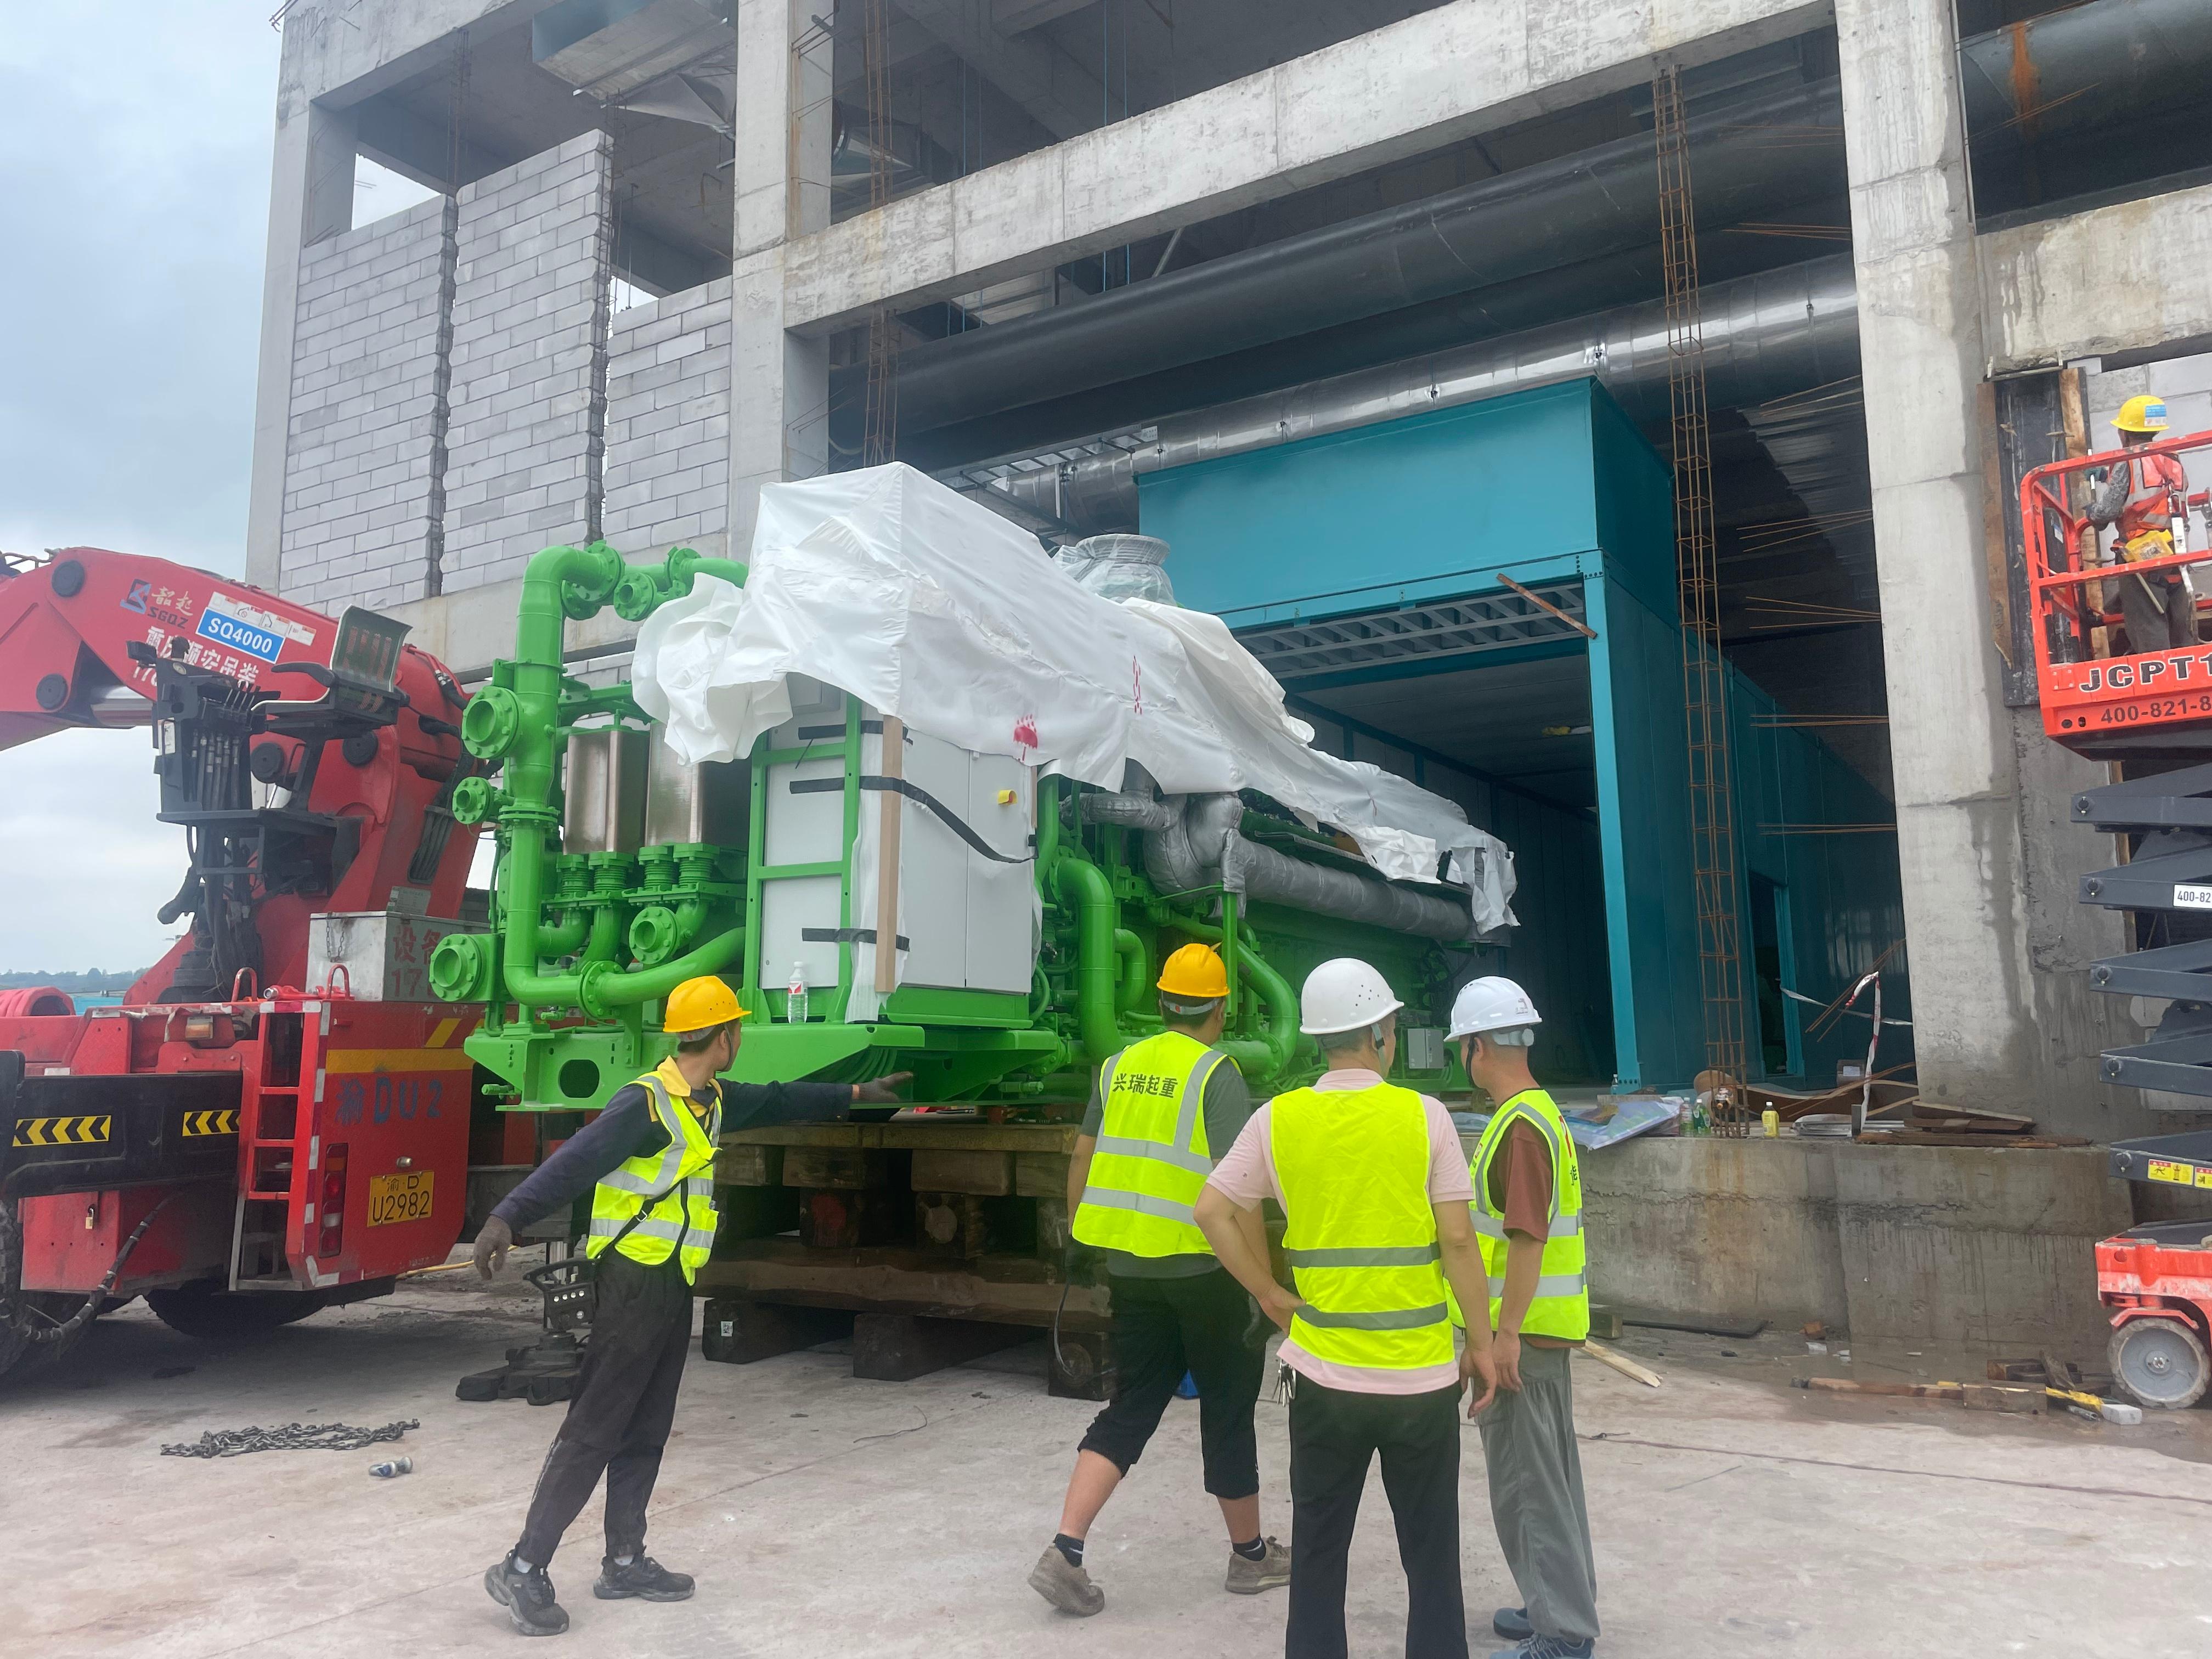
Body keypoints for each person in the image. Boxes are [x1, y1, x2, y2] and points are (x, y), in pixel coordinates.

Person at [473, 974, 912, 1637]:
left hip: (673, 1278)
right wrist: (506, 1217)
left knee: (649, 1422)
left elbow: (780, 1098)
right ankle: (523, 1566)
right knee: (597, 1423)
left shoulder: (713, 1100)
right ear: (725, 1037)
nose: (740, 1040)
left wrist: (855, 1094)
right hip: (631, 1280)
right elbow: (574, 1164)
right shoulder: (645, 1104)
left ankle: (625, 1560)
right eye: (738, 1029)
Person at [1195, 958, 1498, 1659]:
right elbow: (1458, 1241)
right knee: (1431, 1555)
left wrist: (1269, 1292)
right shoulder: (1425, 1117)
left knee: (1319, 1552)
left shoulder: (1278, 1119)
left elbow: (1211, 1210)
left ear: (1318, 1038)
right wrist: (1481, 1344)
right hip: (1420, 1380)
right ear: (1382, 1034)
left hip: (1323, 1381)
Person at [1030, 943, 1291, 1616]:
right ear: (1221, 1009)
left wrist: (1079, 1238)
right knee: (1227, 1408)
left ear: (1162, 1002)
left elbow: (1083, 1157)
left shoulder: (1117, 1066)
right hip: (1207, 1273)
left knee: (1132, 1405)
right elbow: (1240, 1193)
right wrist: (1264, 1287)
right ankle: (1250, 1557)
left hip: (1130, 1270)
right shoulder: (1217, 1074)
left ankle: (1066, 1549)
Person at [1448, 977, 1597, 1659]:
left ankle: (1561, 1633)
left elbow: (1527, 1238)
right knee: (1550, 1478)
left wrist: (1501, 1336)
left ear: (1477, 1047)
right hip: (1539, 1332)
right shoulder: (1537, 1115)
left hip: (1523, 1340)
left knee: (1529, 1487)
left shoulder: (1519, 1129)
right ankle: (1558, 1605)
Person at [2088, 394, 2193, 652]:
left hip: (2141, 554)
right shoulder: (2171, 457)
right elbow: (2152, 487)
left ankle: (2158, 674)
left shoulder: (2127, 458)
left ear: (2124, 432)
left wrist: (2092, 513)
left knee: (2148, 629)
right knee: (2181, 628)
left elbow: (2107, 511)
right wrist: (2107, 476)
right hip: (2176, 550)